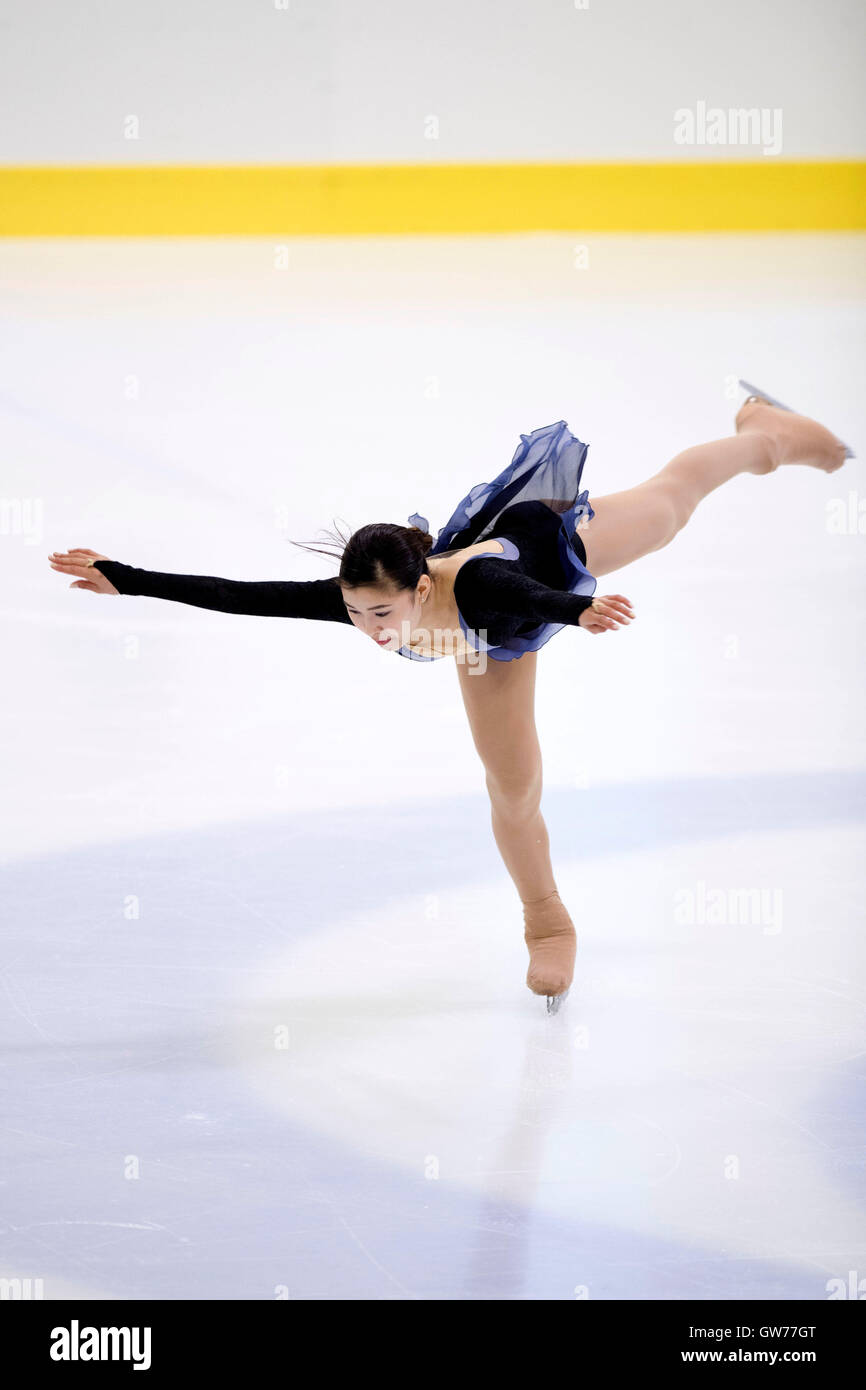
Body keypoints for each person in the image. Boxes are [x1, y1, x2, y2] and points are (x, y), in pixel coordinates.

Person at [47, 390, 852, 1012]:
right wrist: (132, 579)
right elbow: (242, 594)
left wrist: (579, 609)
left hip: (548, 562)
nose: (368, 630)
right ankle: (549, 922)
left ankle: (762, 434)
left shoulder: (472, 583)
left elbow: (520, 591)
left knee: (672, 503)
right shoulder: (361, 597)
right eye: (357, 612)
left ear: (420, 585)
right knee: (512, 788)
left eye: (383, 615)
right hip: (485, 642)